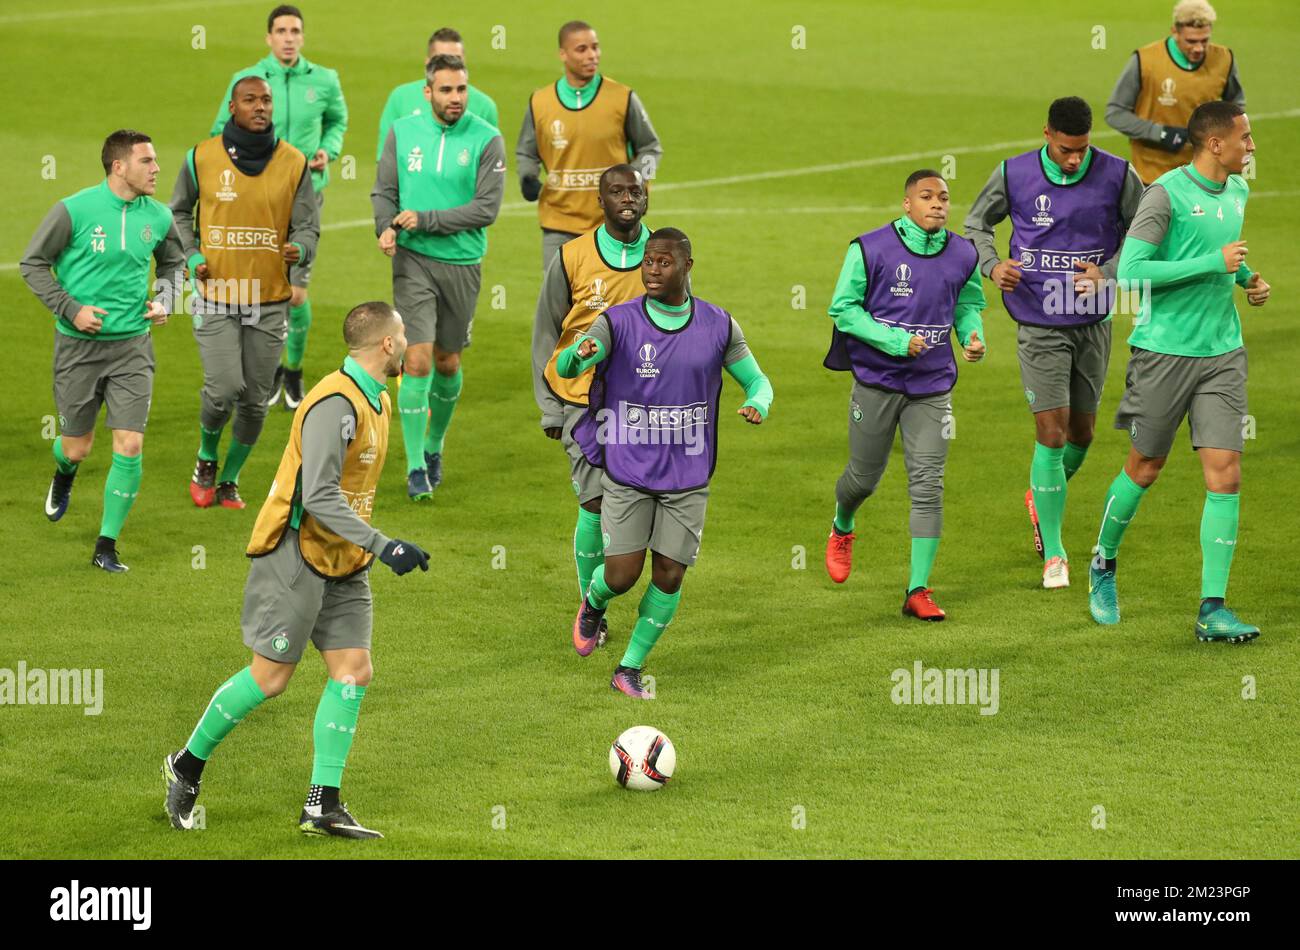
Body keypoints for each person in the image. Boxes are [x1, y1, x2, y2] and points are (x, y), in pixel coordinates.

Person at [162, 301, 431, 838]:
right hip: (296, 553)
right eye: (403, 335)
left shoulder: (377, 396)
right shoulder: (336, 402)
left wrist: (366, 548)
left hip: (344, 560)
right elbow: (320, 495)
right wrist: (385, 546)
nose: (407, 343)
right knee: (270, 678)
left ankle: (321, 805)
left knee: (353, 672)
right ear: (386, 344)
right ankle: (186, 765)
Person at [562, 228, 773, 697]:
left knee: (670, 573)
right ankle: (594, 601)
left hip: (688, 474)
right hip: (629, 469)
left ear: (687, 267)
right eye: (648, 262)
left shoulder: (718, 326)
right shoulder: (618, 323)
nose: (653, 270)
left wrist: (759, 401)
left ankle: (629, 668)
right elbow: (566, 370)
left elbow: (759, 381)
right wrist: (579, 357)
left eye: (664, 262)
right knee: (622, 574)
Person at [1087, 101, 1268, 643]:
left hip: (1222, 354)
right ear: (1215, 144)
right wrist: (1215, 265)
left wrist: (1249, 280)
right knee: (1145, 467)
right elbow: (1133, 272)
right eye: (1246, 137)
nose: (1252, 147)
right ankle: (1103, 562)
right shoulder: (1165, 194)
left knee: (1226, 473)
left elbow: (1225, 255)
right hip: (1163, 354)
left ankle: (1212, 607)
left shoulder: (1238, 192)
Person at [964, 97, 1144, 588]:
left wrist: (1108, 272)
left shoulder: (1117, 174)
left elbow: (1148, 229)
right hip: (1037, 319)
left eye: (1082, 149)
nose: (1074, 159)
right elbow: (977, 222)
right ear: (1047, 133)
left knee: (1083, 434)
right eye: (1066, 149)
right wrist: (992, 264)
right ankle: (1056, 555)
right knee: (1051, 432)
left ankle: (1041, 494)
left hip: (1091, 319)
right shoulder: (1013, 173)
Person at [823, 171, 987, 621]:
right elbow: (843, 310)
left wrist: (972, 336)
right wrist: (895, 341)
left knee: (928, 484)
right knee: (863, 479)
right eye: (927, 196)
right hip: (877, 381)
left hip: (932, 386)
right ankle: (842, 523)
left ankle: (918, 590)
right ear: (906, 204)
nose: (937, 204)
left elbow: (968, 304)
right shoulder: (870, 248)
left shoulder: (962, 253)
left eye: (944, 197)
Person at [20, 130, 182, 572]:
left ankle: (106, 545)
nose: (156, 169)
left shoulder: (160, 217)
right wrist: (70, 309)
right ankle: (64, 473)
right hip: (78, 349)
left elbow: (174, 262)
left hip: (133, 347)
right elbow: (32, 264)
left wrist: (165, 298)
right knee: (77, 447)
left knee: (129, 445)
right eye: (147, 161)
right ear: (119, 167)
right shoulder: (73, 210)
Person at [172, 75, 320, 509]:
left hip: (269, 298)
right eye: (250, 100)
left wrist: (303, 247)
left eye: (267, 100)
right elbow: (179, 211)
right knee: (223, 389)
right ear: (233, 107)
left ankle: (229, 479)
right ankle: (205, 456)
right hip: (216, 293)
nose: (261, 107)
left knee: (255, 402)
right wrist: (192, 253)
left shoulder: (294, 162)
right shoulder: (201, 157)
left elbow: (308, 224)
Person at [371, 53, 506, 500]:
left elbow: (485, 209)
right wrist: (385, 227)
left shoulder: (487, 140)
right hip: (414, 263)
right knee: (418, 361)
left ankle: (433, 446)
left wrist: (423, 218)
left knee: (448, 362)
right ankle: (413, 470)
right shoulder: (402, 132)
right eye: (446, 90)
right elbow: (385, 191)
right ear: (427, 92)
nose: (455, 98)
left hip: (463, 264)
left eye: (461, 89)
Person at [210, 4, 348, 410]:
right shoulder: (247, 81)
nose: (288, 37)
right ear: (268, 38)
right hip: (256, 202)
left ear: (302, 37)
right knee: (259, 291)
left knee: (296, 294)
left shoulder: (324, 80)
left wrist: (329, 149)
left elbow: (338, 121)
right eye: (281, 31)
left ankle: (293, 371)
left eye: (295, 31)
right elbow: (219, 130)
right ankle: (267, 371)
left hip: (304, 197)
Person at [532, 164, 649, 627]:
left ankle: (620, 582)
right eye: (616, 191)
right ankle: (591, 608)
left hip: (644, 404)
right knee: (594, 502)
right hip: (582, 402)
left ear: (646, 197)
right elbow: (545, 333)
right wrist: (549, 409)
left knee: (639, 503)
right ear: (599, 202)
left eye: (635, 191)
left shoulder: (663, 254)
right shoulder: (571, 256)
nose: (627, 198)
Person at [516, 20, 662, 271]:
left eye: (595, 47)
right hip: (559, 223)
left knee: (613, 305)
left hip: (611, 225)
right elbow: (526, 151)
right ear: (563, 54)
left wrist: (638, 181)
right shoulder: (540, 102)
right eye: (582, 49)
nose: (592, 55)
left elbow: (651, 147)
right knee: (560, 305)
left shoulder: (622, 98)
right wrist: (526, 175)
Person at [1105, 0, 1245, 185]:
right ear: (1175, 32)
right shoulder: (1145, 60)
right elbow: (1115, 113)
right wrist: (1160, 133)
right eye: (1191, 41)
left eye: (1205, 41)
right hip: (1152, 177)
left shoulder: (1224, 59)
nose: (1199, 48)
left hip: (1202, 176)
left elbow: (1236, 107)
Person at [376, 26, 499, 162]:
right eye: (440, 59)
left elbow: (489, 163)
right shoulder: (400, 98)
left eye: (456, 59)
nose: (449, 65)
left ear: (464, 61)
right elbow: (386, 163)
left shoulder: (485, 106)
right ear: (427, 63)